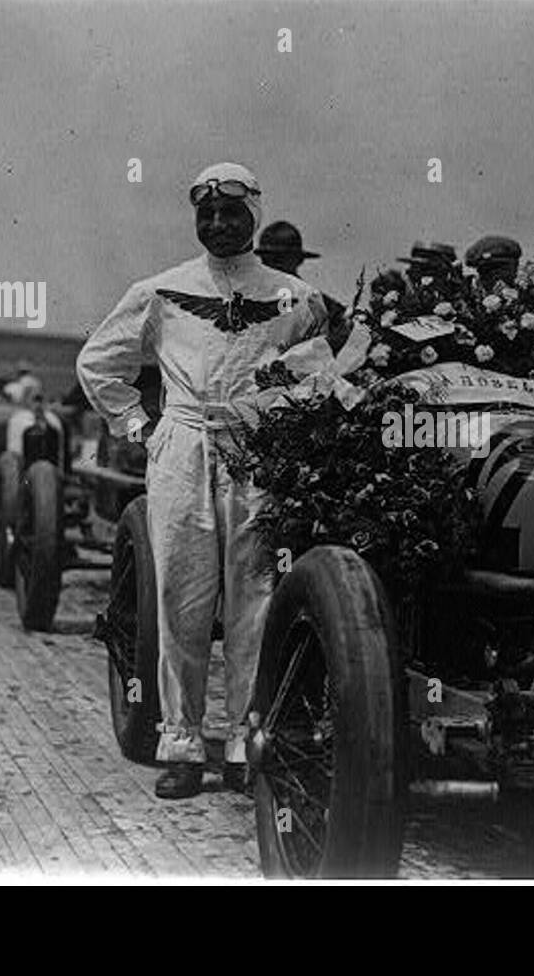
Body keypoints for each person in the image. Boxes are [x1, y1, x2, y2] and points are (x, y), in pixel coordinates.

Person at [77, 161, 328, 799]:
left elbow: (321, 374)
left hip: (256, 452)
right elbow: (98, 362)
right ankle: (182, 744)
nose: (218, 223)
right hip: (181, 450)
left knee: (256, 599)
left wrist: (284, 419)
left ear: (256, 215)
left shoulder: (295, 299)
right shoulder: (161, 292)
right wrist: (141, 429)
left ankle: (248, 744)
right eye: (207, 213)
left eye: (231, 212)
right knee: (182, 600)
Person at [255, 220, 350, 349]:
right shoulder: (246, 303)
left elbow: (347, 332)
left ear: (297, 260)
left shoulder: (320, 303)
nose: (275, 267)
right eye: (269, 259)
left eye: (281, 259)